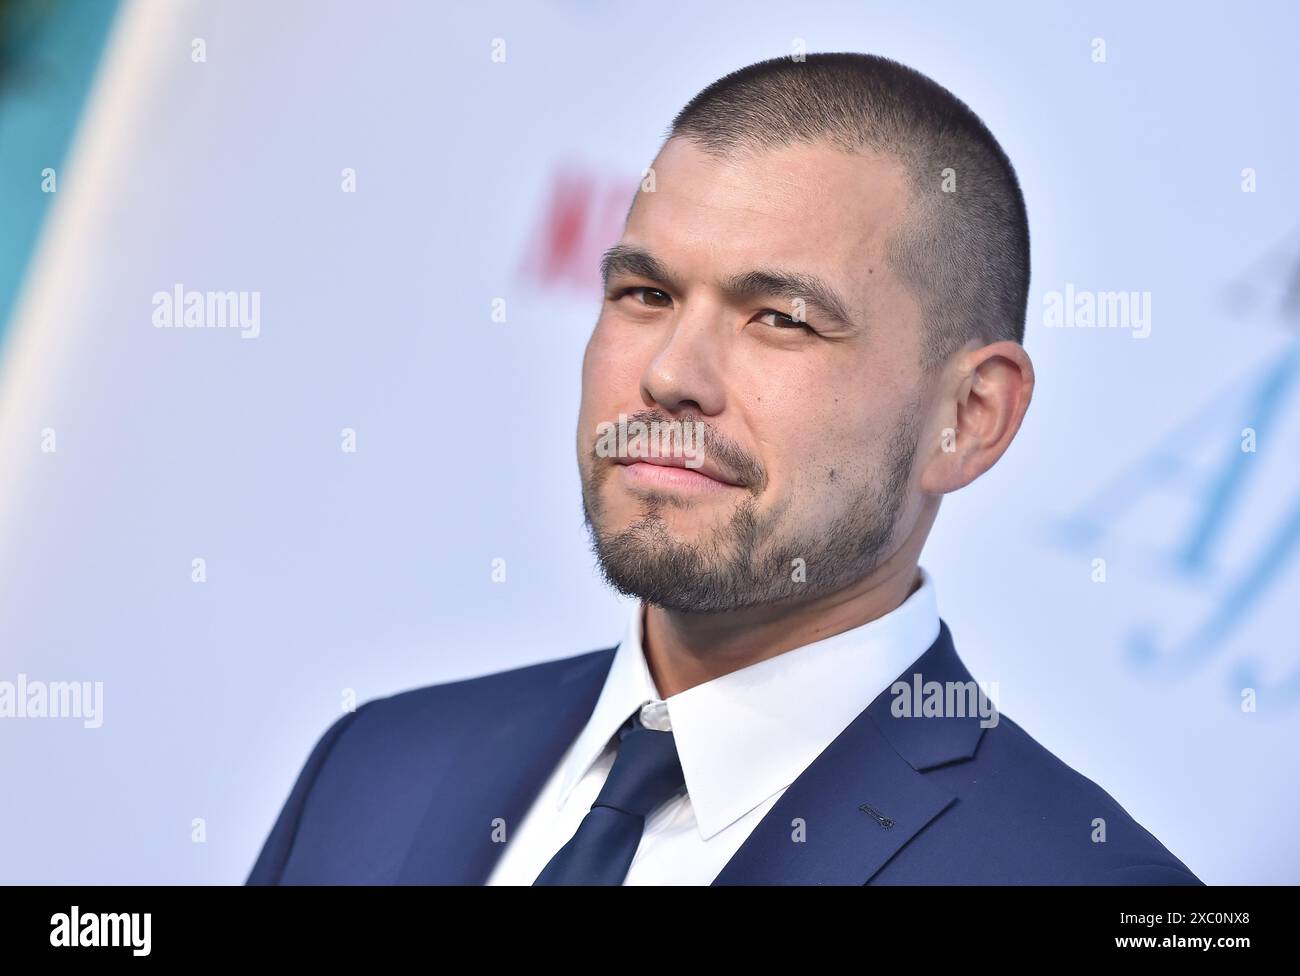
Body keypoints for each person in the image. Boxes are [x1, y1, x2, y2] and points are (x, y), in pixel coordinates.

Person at [247, 52, 1202, 885]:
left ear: (969, 417)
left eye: (779, 318)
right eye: (646, 293)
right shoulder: (376, 766)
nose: (670, 376)